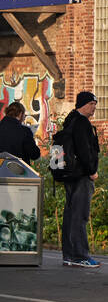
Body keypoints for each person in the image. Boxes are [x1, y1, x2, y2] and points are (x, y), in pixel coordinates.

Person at [59, 91, 100, 269]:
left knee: (70, 214)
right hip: (81, 175)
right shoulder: (82, 123)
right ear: (83, 104)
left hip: (70, 174)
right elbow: (84, 150)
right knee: (80, 215)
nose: (94, 108)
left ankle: (69, 255)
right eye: (91, 104)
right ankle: (80, 255)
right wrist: (92, 171)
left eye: (95, 104)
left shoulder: (70, 120)